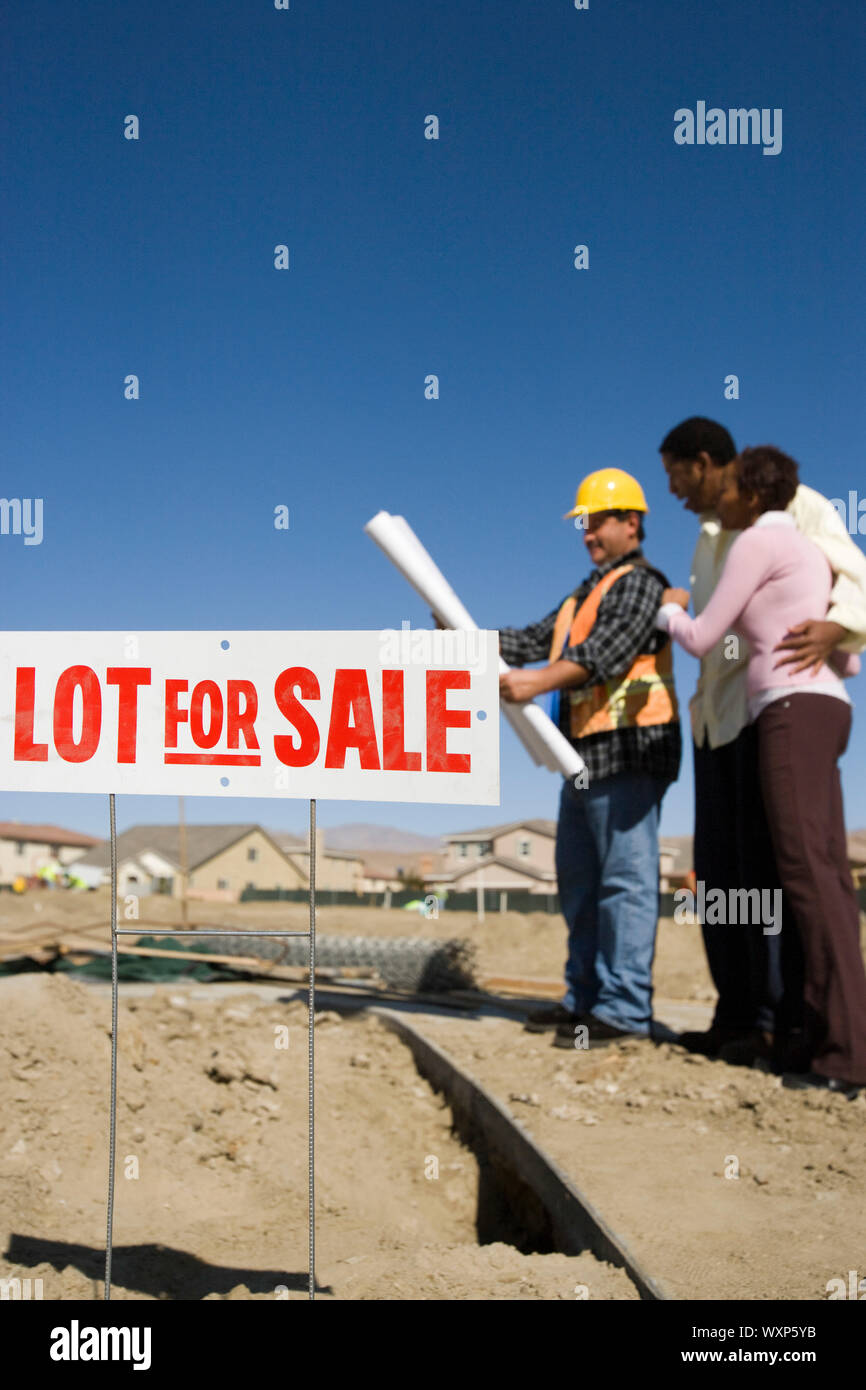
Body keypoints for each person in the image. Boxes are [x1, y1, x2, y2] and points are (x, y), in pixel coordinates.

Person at [658, 445, 866, 1095]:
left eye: (680, 479)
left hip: (778, 714)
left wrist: (668, 607)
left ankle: (825, 1043)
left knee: (799, 879)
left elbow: (700, 633)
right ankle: (755, 1022)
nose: (683, 496)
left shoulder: (775, 524)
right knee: (747, 877)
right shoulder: (730, 537)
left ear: (718, 471)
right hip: (743, 716)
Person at [497, 468, 682, 1048]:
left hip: (629, 751)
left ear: (632, 523)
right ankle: (583, 999)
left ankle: (623, 1010)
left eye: (597, 522)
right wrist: (463, 638)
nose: (587, 534)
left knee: (623, 883)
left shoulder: (640, 584)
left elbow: (604, 654)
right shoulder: (584, 594)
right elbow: (532, 639)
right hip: (580, 756)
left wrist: (536, 684)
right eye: (584, 525)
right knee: (579, 882)